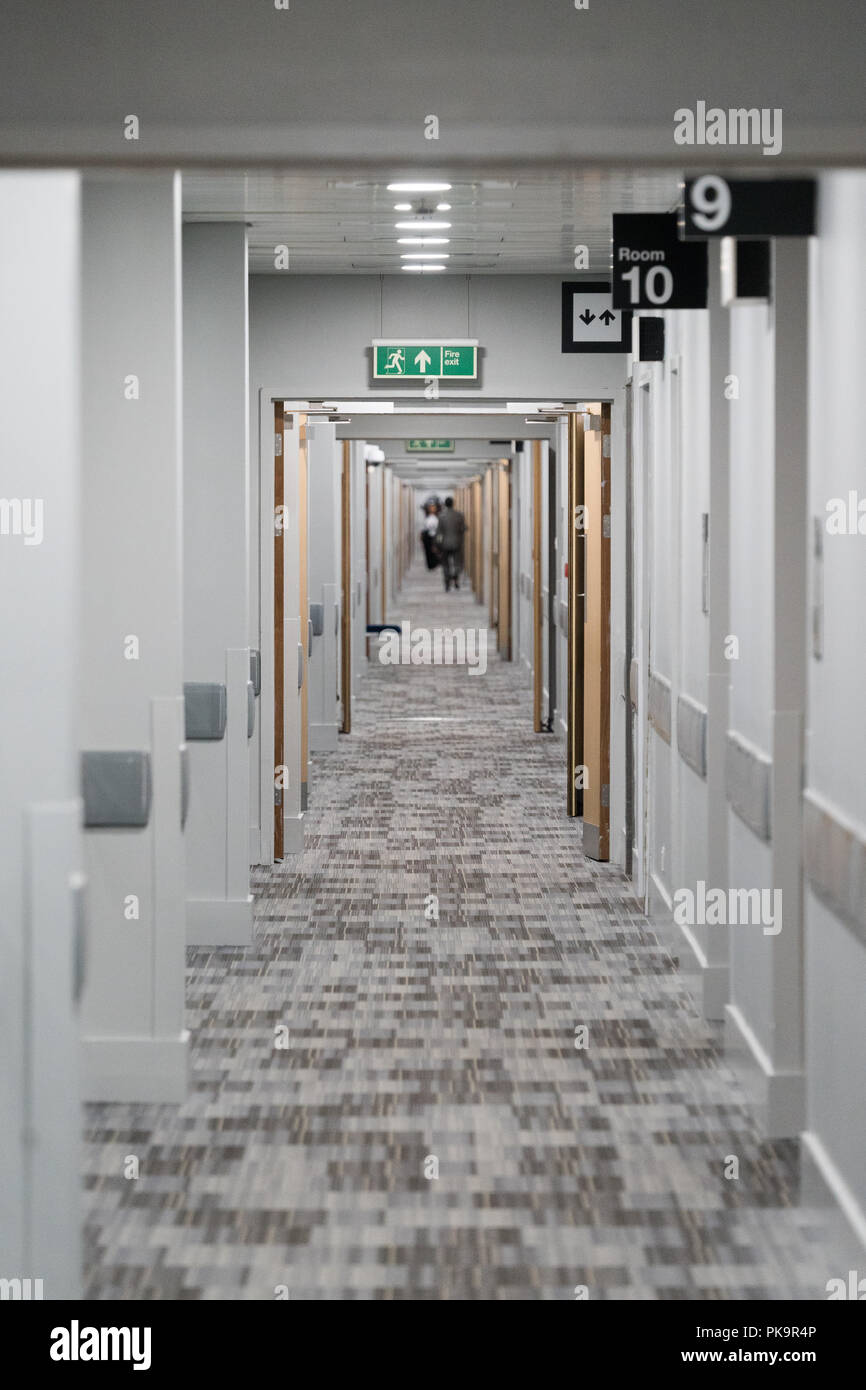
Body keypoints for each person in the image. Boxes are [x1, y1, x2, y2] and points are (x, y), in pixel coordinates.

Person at [435, 496, 466, 591]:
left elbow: (439, 532)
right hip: (457, 543)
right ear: (453, 503)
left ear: (445, 504)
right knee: (457, 563)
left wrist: (438, 544)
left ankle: (447, 582)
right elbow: (463, 528)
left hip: (445, 544)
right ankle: (455, 576)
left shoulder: (441, 516)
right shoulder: (459, 515)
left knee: (445, 564)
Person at [420, 503, 440, 570]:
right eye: (431, 508)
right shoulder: (428, 518)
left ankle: (433, 564)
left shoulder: (436, 518)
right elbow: (424, 528)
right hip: (428, 536)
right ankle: (430, 565)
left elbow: (438, 529)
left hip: (434, 536)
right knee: (428, 551)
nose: (432, 509)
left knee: (434, 551)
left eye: (433, 508)